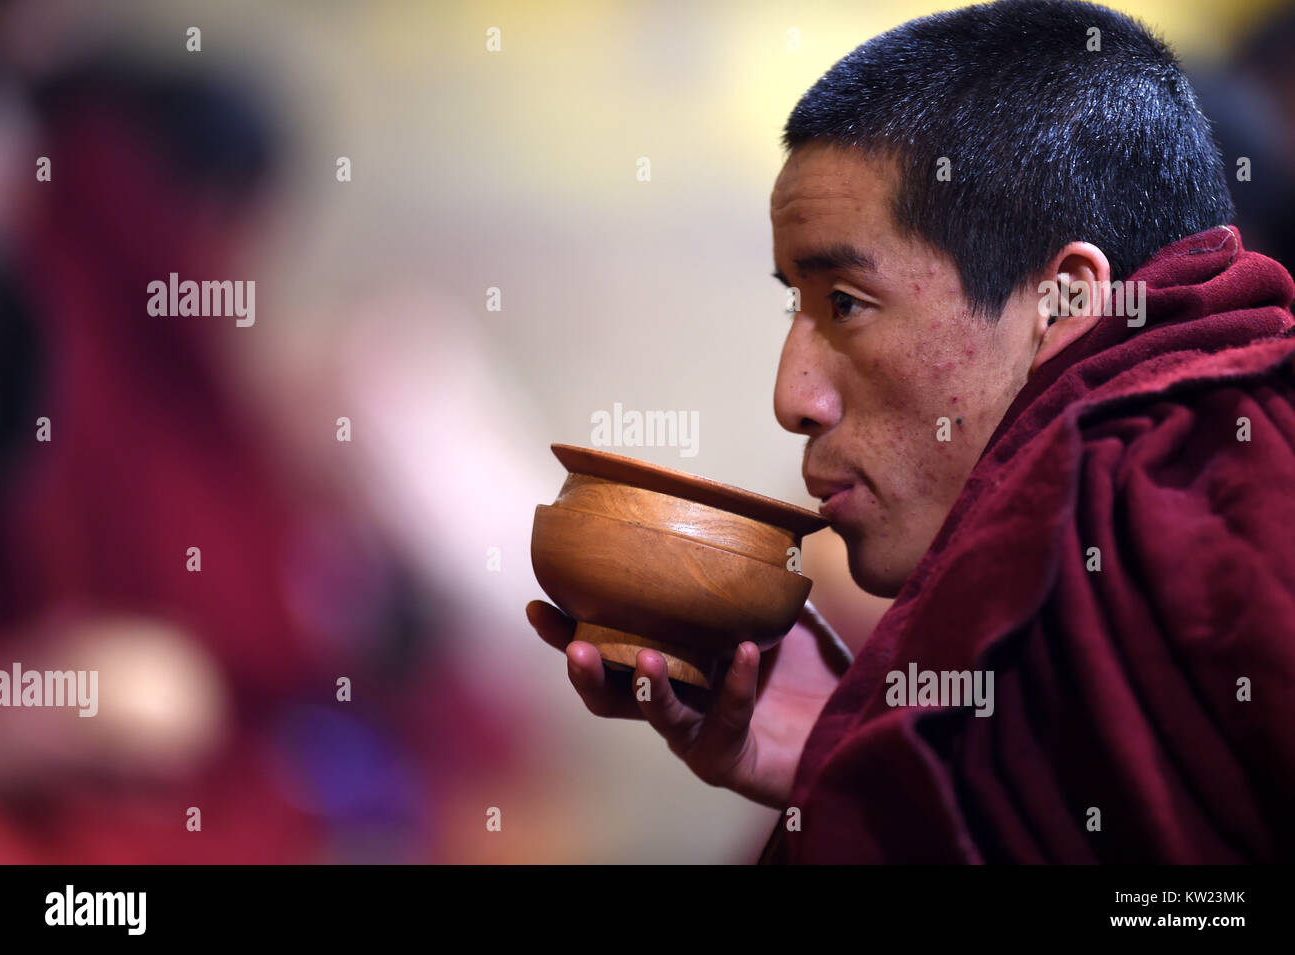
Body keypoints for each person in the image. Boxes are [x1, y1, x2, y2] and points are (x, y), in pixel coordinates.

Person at [527, 0, 1295, 863]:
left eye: (846, 304)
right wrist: (855, 739)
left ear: (1068, 299)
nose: (793, 398)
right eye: (798, 303)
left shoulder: (1204, 479)